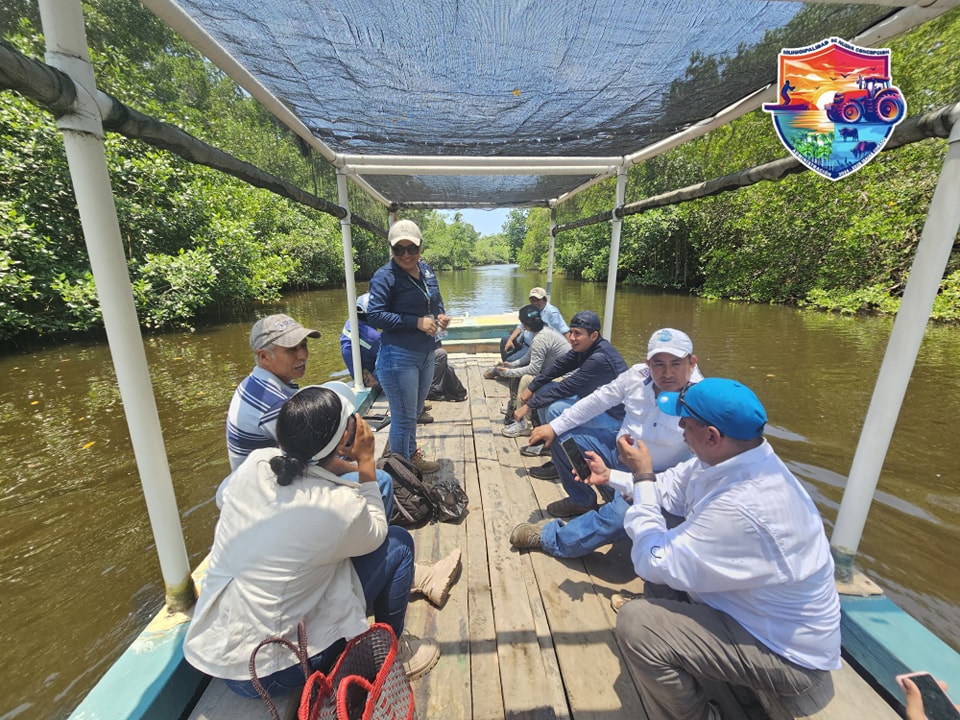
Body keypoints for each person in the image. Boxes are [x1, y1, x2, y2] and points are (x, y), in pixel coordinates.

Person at [580, 378, 841, 720]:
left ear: (713, 436)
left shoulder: (745, 505)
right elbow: (668, 490)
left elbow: (650, 561)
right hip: (748, 611)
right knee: (665, 526)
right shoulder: (731, 457)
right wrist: (612, 476)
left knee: (638, 626)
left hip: (786, 656)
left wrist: (643, 478)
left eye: (685, 422)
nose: (680, 429)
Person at [185, 384, 441, 698]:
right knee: (399, 543)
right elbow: (376, 533)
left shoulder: (256, 464)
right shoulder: (336, 508)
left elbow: (223, 497)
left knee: (352, 530)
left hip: (221, 656)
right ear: (342, 441)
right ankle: (386, 654)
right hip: (276, 672)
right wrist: (364, 462)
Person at [510, 328, 701, 557]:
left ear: (692, 362)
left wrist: (646, 481)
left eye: (676, 363)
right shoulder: (637, 376)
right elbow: (599, 400)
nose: (667, 372)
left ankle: (553, 538)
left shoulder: (702, 400)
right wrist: (554, 427)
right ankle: (582, 500)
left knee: (621, 517)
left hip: (656, 476)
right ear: (648, 363)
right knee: (564, 438)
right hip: (616, 452)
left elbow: (697, 466)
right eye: (659, 363)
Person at [366, 220, 450, 474]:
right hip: (398, 357)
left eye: (411, 248)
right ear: (391, 249)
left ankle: (410, 457)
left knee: (412, 412)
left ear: (420, 247)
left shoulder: (426, 271)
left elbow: (435, 300)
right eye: (398, 249)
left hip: (426, 353)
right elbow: (375, 315)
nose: (406, 255)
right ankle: (402, 474)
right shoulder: (385, 276)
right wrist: (416, 322)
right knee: (402, 417)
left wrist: (440, 316)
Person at [514, 310, 627, 479]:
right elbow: (559, 366)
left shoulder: (599, 358)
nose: (571, 338)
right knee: (543, 390)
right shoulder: (584, 348)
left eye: (578, 334)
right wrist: (532, 387)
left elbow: (567, 387)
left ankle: (562, 464)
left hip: (614, 419)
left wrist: (529, 406)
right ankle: (551, 445)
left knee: (555, 410)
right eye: (571, 332)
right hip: (594, 402)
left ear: (594, 335)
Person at [226, 313, 320, 472]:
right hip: (262, 490)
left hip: (260, 478)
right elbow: (318, 461)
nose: (303, 355)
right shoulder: (275, 405)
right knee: (375, 478)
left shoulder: (254, 382)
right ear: (263, 356)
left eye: (304, 345)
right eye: (291, 349)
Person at [341, 293, 466, 404]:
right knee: (439, 354)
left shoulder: (353, 324)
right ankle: (428, 392)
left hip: (368, 372)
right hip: (377, 378)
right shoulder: (372, 337)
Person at [496, 304, 570, 436]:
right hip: (553, 372)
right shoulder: (544, 330)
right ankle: (515, 407)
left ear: (526, 325)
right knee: (519, 373)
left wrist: (508, 373)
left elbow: (534, 369)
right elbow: (528, 356)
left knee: (526, 379)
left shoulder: (540, 339)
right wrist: (511, 365)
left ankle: (524, 423)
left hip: (565, 378)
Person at [493, 286, 570, 366]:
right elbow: (520, 326)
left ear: (544, 300)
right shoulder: (531, 310)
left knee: (510, 361)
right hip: (523, 342)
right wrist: (510, 340)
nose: (535, 303)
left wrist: (571, 354)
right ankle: (509, 367)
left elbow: (564, 331)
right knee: (505, 340)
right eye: (532, 301)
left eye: (538, 300)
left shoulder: (552, 313)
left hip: (534, 347)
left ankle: (510, 366)